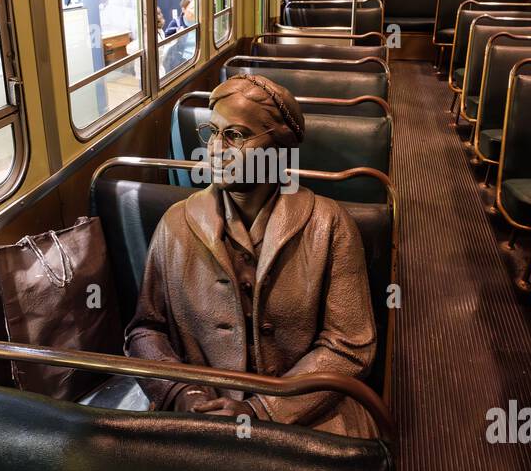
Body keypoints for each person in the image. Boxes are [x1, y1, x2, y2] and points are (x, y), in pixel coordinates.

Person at [125, 75, 378, 437]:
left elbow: (350, 345)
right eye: (212, 132)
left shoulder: (330, 224)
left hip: (304, 412)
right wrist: (182, 393)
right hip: (200, 415)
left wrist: (262, 408)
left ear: (277, 149)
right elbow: (147, 329)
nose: (215, 148)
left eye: (235, 135)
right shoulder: (176, 224)